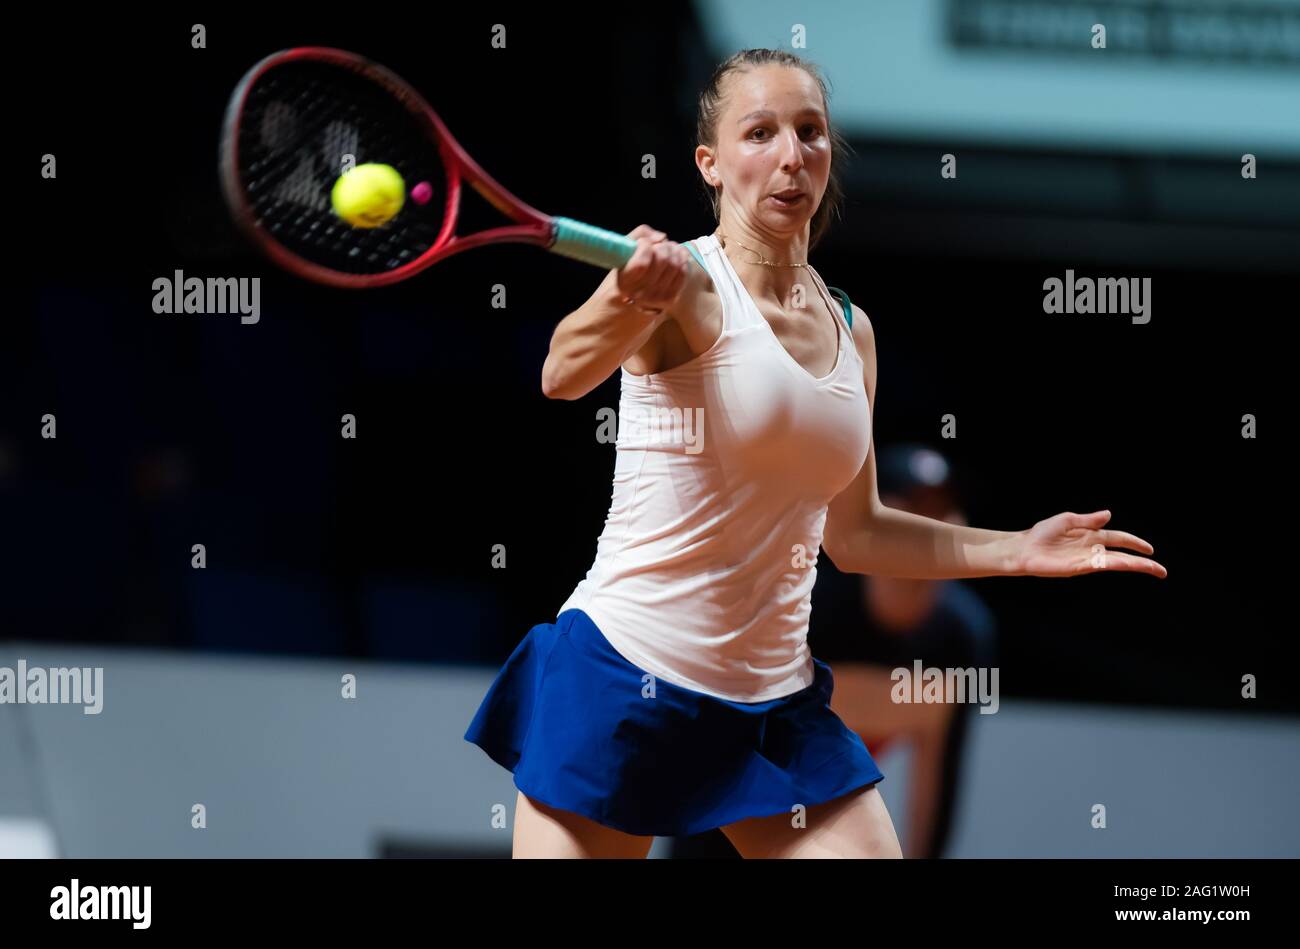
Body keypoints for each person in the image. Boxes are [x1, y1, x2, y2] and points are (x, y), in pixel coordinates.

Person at [464, 48, 1167, 859]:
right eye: (759, 133)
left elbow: (858, 533)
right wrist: (625, 296)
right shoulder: (684, 283)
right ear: (711, 164)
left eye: (810, 132)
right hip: (626, 673)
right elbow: (560, 373)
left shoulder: (851, 329)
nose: (791, 155)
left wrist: (1021, 549)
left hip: (773, 707)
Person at [666, 444, 997, 859]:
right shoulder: (809, 599)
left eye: (941, 513)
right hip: (742, 783)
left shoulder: (962, 634)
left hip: (822, 787)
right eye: (911, 511)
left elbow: (940, 771)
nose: (928, 531)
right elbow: (738, 723)